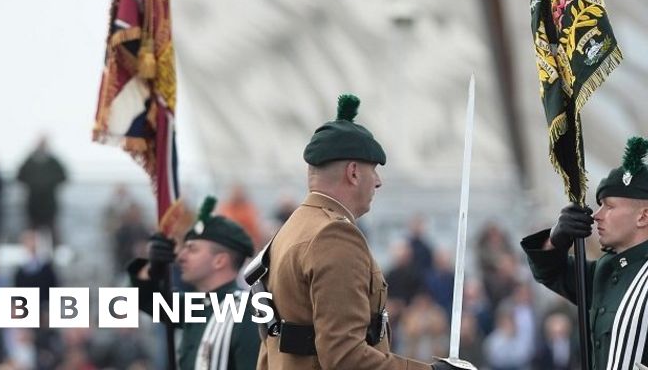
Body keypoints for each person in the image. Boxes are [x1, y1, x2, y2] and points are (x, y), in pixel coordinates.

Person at [254, 94, 475, 370]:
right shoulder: (334, 236)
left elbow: (274, 345)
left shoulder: (292, 228)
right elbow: (345, 356)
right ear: (354, 173)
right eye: (374, 171)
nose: (378, 182)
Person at [521, 136, 648, 370]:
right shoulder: (605, 271)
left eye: (609, 206)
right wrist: (556, 239)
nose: (597, 215)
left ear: (643, 217)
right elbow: (550, 272)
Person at [130, 197, 260, 369]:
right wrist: (152, 268)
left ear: (219, 261)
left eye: (192, 249)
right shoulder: (195, 306)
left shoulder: (245, 313)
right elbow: (143, 298)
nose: (180, 256)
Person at [15, 136, 67, 240]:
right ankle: (30, 248)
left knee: (52, 229)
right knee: (31, 229)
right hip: (33, 202)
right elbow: (20, 176)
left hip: (49, 203)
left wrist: (49, 184)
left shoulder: (53, 162)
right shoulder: (30, 161)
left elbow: (63, 176)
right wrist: (33, 184)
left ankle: (55, 248)